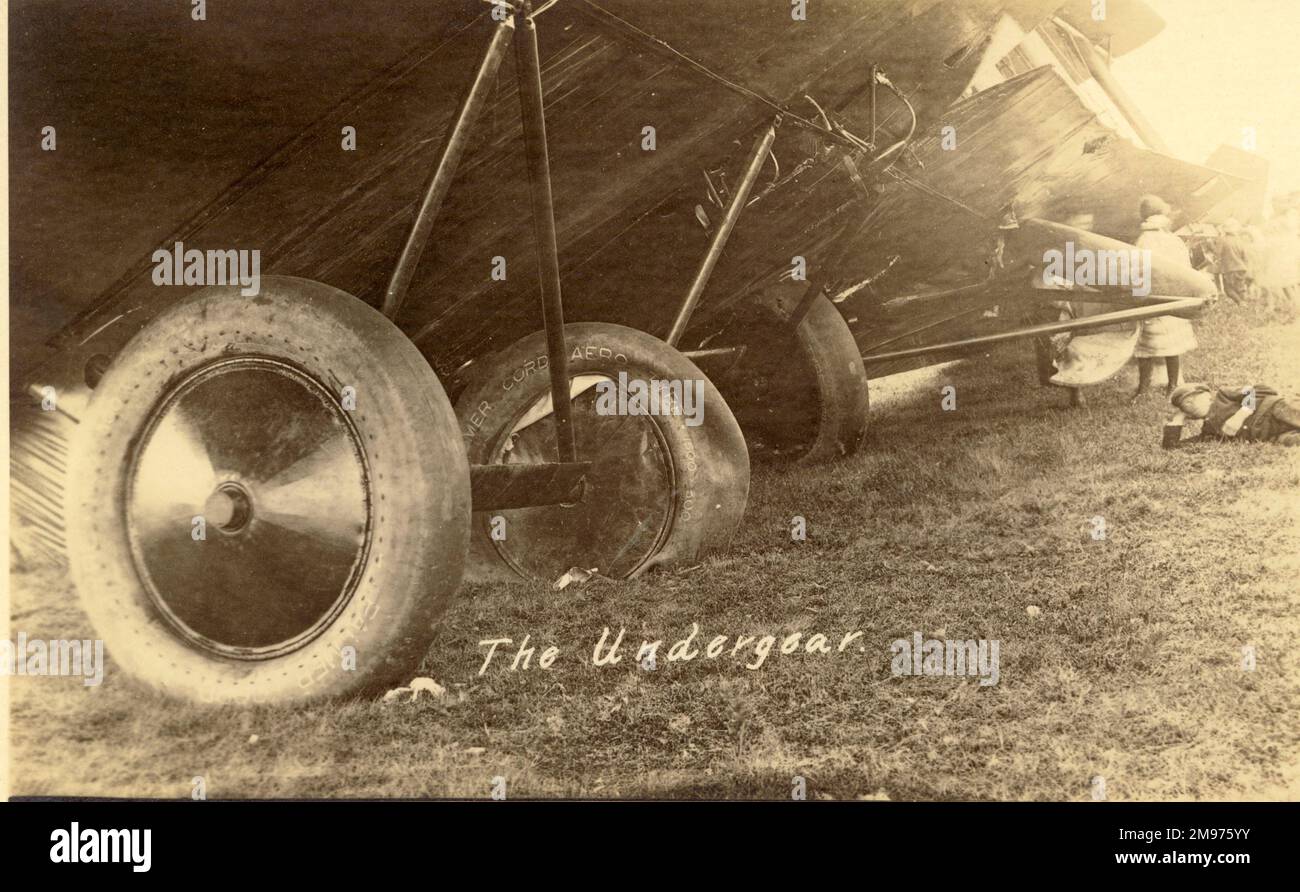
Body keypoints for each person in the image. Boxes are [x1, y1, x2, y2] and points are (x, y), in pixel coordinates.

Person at [1132, 195, 1197, 401]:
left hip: (1152, 296)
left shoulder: (1143, 240)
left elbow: (1139, 272)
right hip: (1173, 295)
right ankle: (1172, 384)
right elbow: (1186, 269)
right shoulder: (1174, 239)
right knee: (1173, 343)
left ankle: (1143, 388)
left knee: (1146, 343)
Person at [1163, 383, 1300, 447]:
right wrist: (1178, 419)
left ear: (1206, 395)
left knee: (1290, 412)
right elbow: (1172, 447)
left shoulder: (1223, 394)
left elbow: (1256, 389)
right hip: (1268, 435)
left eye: (1191, 399)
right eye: (1184, 406)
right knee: (1289, 441)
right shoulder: (1209, 431)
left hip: (1272, 410)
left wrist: (1241, 415)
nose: (1189, 405)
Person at [1215, 217, 1253, 304]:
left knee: (1228, 290)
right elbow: (1245, 256)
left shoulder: (1222, 240)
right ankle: (1243, 303)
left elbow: (1217, 253)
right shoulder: (1239, 240)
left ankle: (1241, 303)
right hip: (1241, 268)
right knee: (1240, 289)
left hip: (1229, 269)